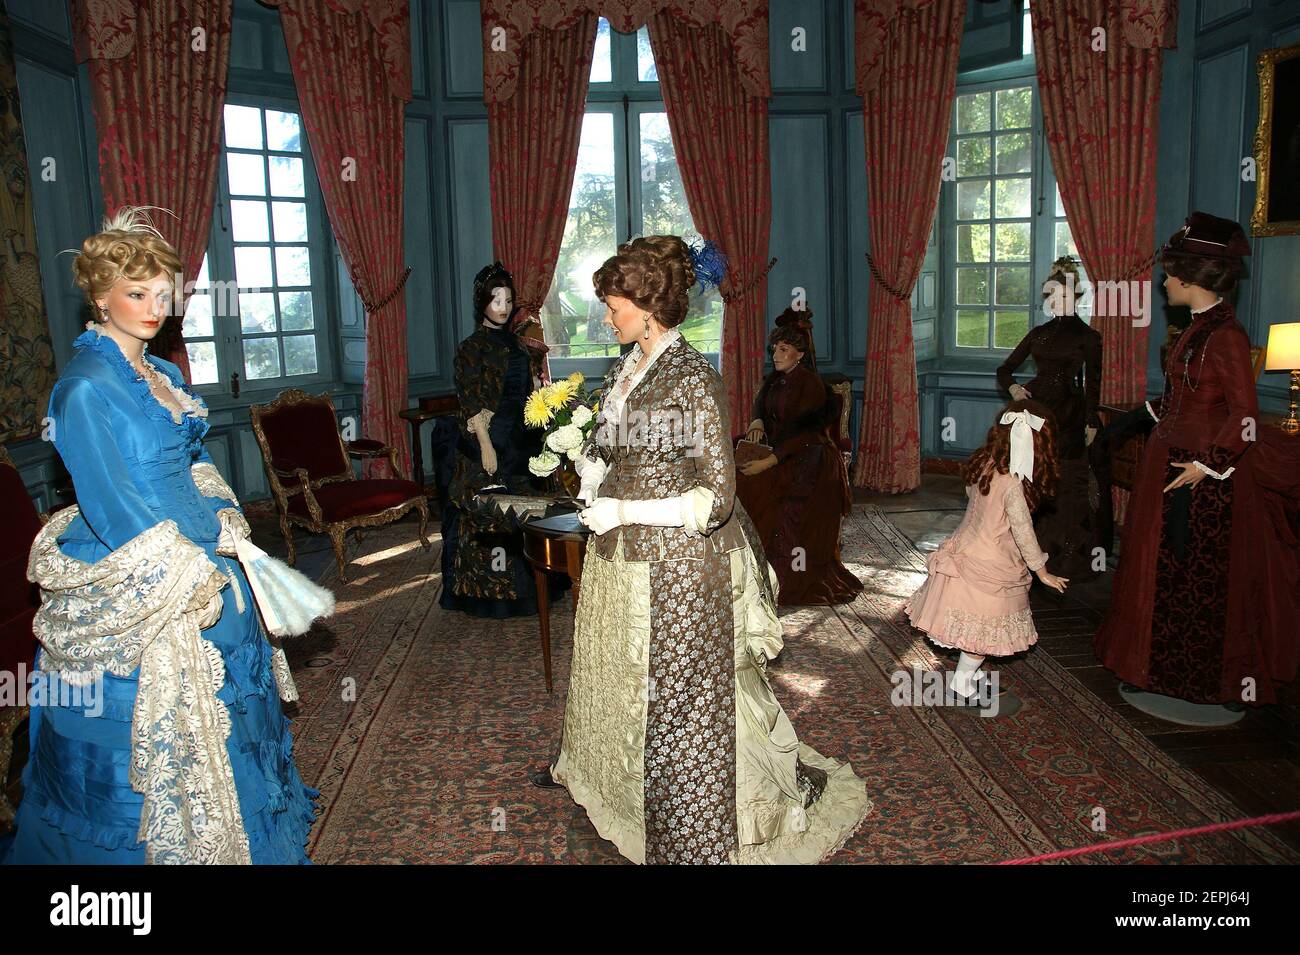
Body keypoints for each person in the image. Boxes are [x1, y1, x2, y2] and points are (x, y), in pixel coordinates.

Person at [535, 236, 871, 864]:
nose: (607, 317)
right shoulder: (627, 366)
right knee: (622, 680)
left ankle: (692, 821)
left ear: (647, 304)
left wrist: (624, 508)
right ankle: (612, 789)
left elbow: (716, 497)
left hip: (679, 568)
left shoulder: (694, 380)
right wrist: (588, 467)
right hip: (619, 555)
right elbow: (611, 443)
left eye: (613, 305)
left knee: (680, 701)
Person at [5, 208, 315, 864]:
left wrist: (223, 511)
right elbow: (112, 504)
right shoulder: (83, 389)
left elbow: (191, 460)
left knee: (241, 702)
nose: (154, 307)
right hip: (141, 569)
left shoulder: (166, 376)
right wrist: (186, 575)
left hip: (208, 551)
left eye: (163, 293)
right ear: (99, 297)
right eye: (136, 292)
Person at [1094, 212, 1300, 708]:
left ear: (1191, 279)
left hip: (1205, 480)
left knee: (1198, 582)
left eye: (1169, 274)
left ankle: (1211, 682)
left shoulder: (1224, 336)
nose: (1164, 282)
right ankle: (1160, 671)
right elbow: (1185, 398)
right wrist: (1130, 420)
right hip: (1173, 463)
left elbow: (1245, 415)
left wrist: (1207, 466)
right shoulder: (1198, 327)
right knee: (1166, 576)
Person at [905, 401, 1068, 701]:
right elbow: (1023, 532)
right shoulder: (1014, 485)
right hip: (992, 562)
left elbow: (973, 497)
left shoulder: (986, 464)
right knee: (984, 628)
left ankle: (970, 671)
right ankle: (961, 682)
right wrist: (1041, 570)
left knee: (970, 621)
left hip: (966, 547)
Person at [441, 262, 560, 617]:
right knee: (491, 514)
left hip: (522, 438)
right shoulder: (470, 349)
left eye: (508, 300)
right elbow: (471, 402)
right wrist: (486, 446)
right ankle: (493, 596)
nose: (504, 307)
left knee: (532, 512)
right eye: (496, 300)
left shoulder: (521, 346)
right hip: (489, 441)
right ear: (482, 304)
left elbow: (530, 393)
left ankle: (536, 585)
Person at [735, 307, 862, 605]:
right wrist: (757, 423)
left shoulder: (810, 384)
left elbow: (805, 436)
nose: (776, 355)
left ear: (799, 354)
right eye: (774, 349)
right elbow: (762, 409)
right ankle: (752, 569)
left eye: (783, 349)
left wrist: (769, 460)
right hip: (782, 450)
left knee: (780, 504)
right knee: (739, 476)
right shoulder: (773, 380)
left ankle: (789, 578)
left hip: (811, 459)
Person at [996, 256, 1103, 579]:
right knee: (1027, 479)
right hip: (1033, 411)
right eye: (1051, 296)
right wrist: (1014, 388)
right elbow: (1004, 369)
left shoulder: (1089, 337)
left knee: (1067, 484)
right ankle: (1023, 547)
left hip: (1069, 414)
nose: (1056, 301)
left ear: (1076, 297)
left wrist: (1091, 421)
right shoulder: (1039, 333)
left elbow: (1093, 383)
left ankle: (1062, 555)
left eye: (1063, 296)